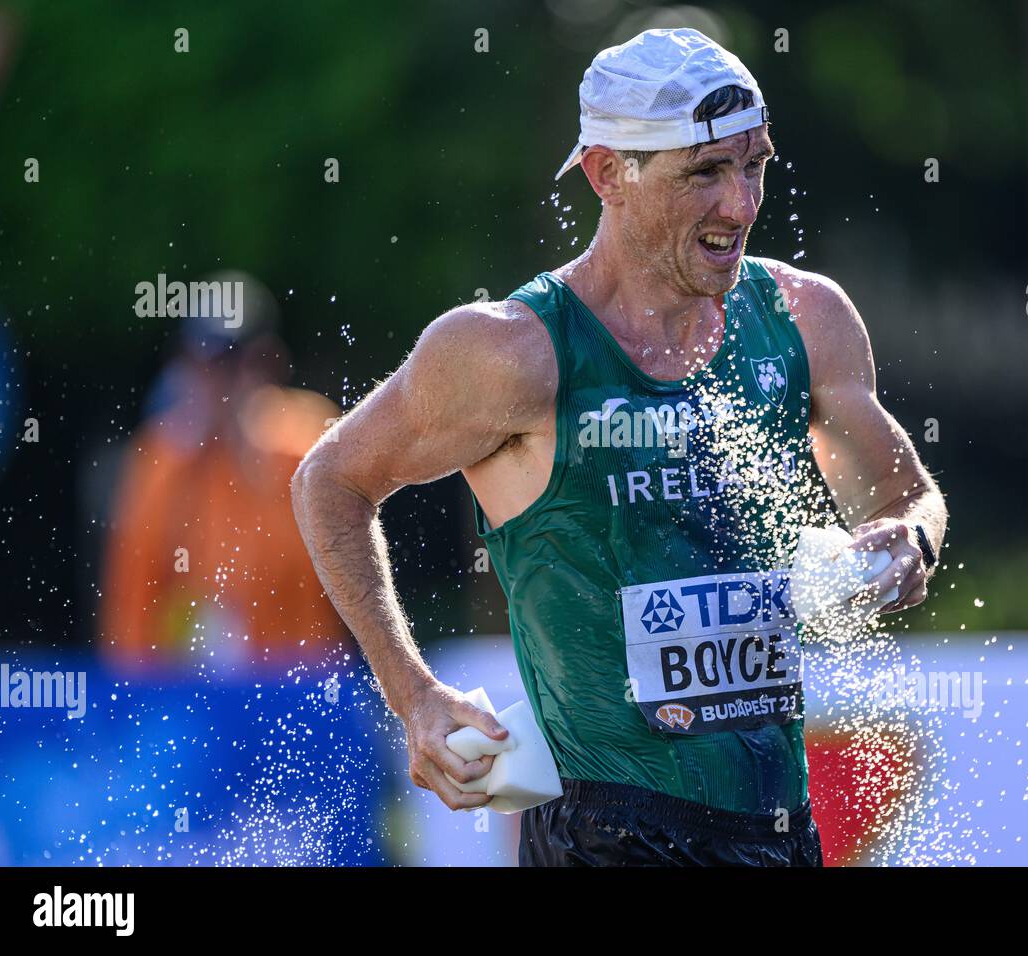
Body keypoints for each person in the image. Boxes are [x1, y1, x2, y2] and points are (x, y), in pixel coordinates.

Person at [291, 28, 947, 866]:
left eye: (754, 164)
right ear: (609, 174)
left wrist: (908, 540)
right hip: (606, 833)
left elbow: (905, 497)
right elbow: (330, 481)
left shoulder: (803, 318)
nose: (741, 205)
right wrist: (413, 695)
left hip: (779, 830)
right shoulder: (510, 354)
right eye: (704, 173)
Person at [102, 273, 345, 672]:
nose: (212, 384)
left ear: (266, 362)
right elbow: (129, 613)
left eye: (227, 364)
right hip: (189, 701)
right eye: (199, 365)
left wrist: (253, 467)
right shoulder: (161, 460)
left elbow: (338, 580)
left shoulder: (308, 444)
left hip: (299, 689)